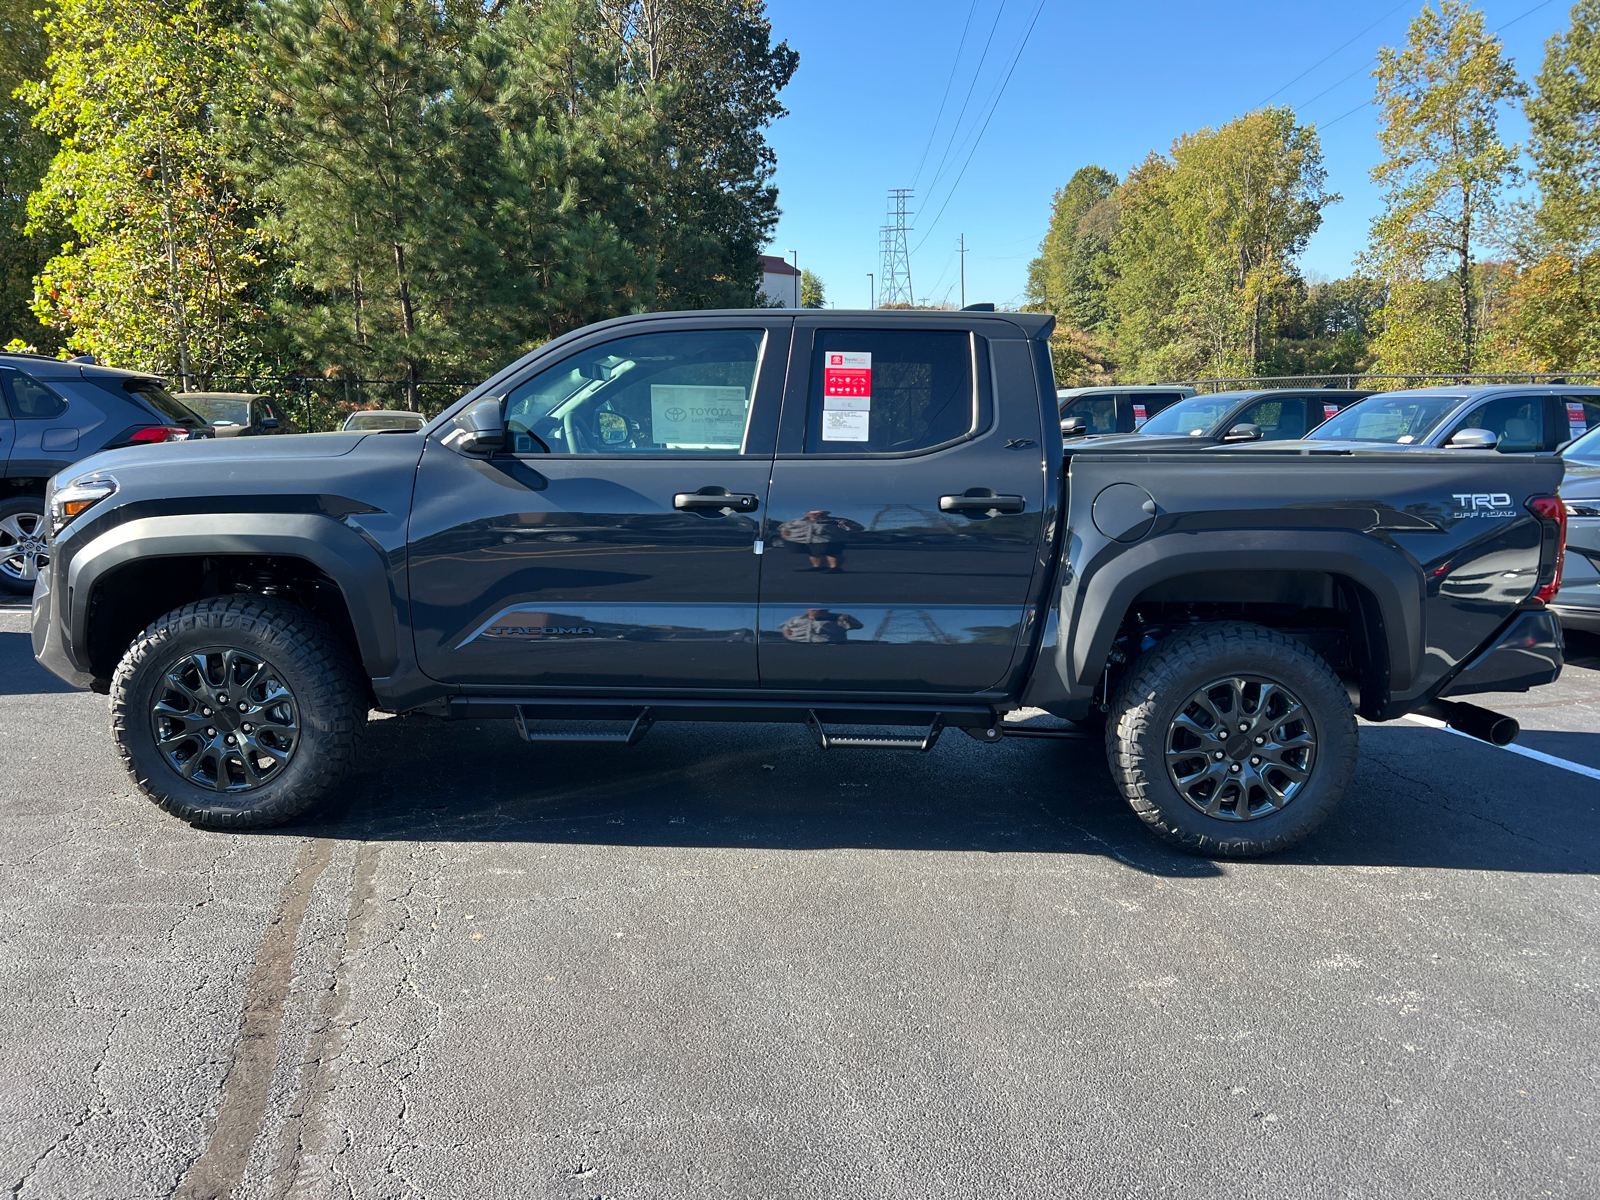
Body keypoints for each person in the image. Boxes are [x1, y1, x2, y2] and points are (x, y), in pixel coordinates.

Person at [777, 508, 863, 572]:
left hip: (831, 541)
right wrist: (784, 532)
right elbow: (784, 527)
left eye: (820, 513)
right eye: (814, 513)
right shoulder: (797, 521)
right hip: (809, 541)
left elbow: (857, 528)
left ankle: (835, 568)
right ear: (808, 513)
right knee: (814, 553)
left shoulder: (836, 520)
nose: (817, 515)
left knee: (832, 553)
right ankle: (818, 567)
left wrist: (848, 525)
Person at [779, 608, 863, 644]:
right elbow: (786, 631)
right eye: (813, 606)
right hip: (796, 647)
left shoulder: (838, 618)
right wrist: (788, 637)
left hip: (828, 650)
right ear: (807, 608)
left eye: (821, 606)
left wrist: (848, 619)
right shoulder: (795, 619)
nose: (818, 608)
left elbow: (858, 626)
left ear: (827, 608)